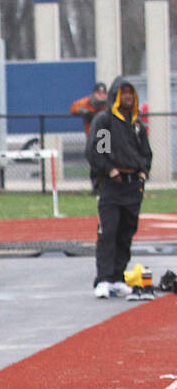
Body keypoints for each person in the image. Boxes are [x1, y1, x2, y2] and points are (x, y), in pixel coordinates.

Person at [86, 77, 152, 298]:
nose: (127, 96)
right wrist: (110, 171)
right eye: (123, 92)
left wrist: (143, 172)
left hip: (133, 187)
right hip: (113, 186)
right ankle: (103, 279)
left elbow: (145, 152)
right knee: (109, 232)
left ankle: (117, 276)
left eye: (130, 93)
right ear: (115, 95)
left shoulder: (136, 124)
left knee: (126, 233)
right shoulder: (105, 121)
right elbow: (98, 150)